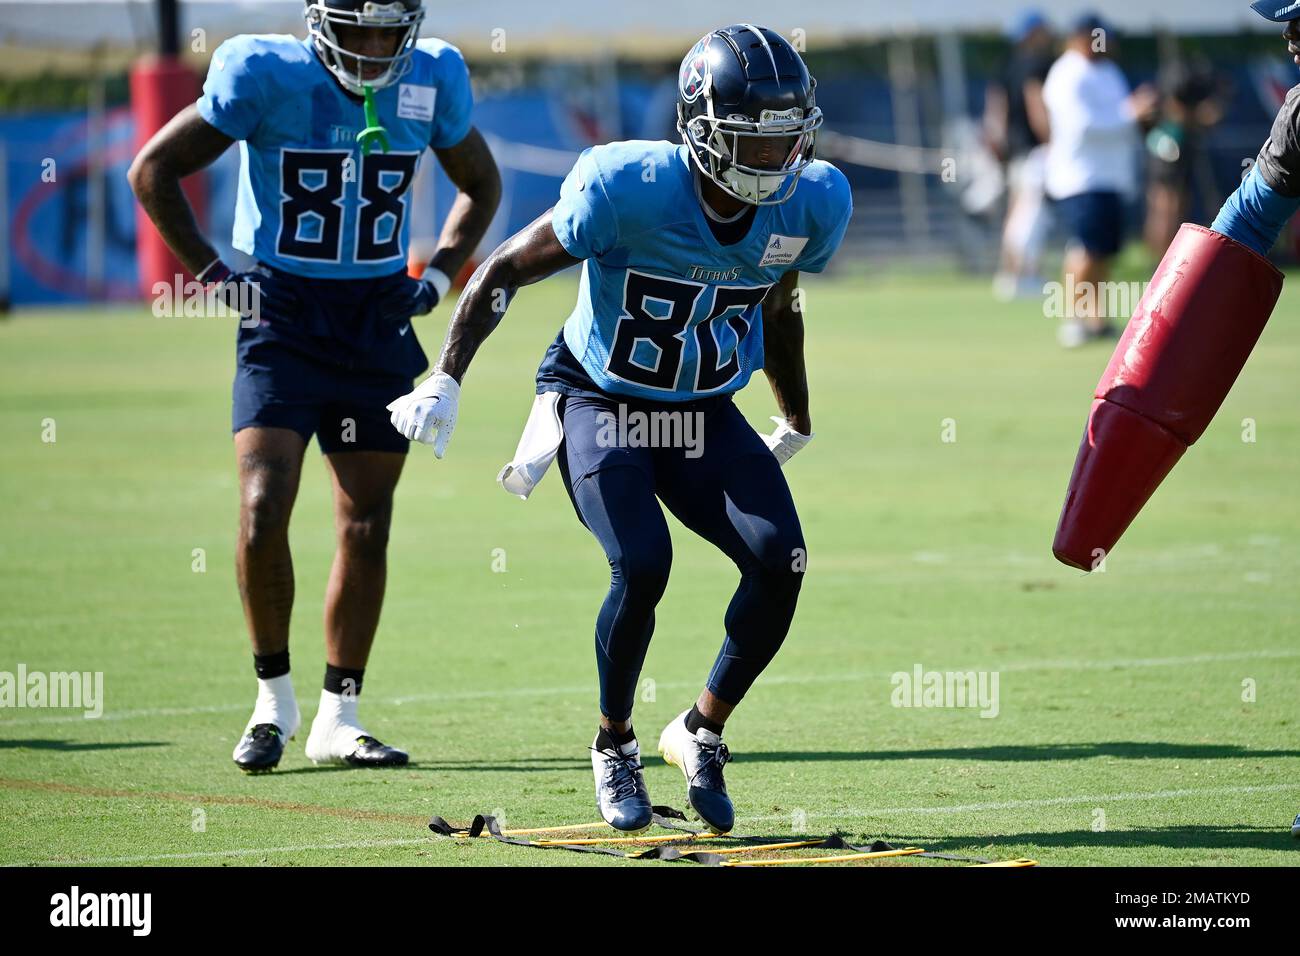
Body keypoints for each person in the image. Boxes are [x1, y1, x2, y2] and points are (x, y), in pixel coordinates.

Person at [388, 25, 851, 834]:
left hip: (703, 409)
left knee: (783, 561)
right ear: (703, 130)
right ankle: (614, 743)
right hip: (602, 398)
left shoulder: (813, 201)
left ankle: (700, 728)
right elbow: (502, 269)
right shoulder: (626, 186)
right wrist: (448, 374)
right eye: (754, 139)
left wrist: (796, 412)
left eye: (787, 142)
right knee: (642, 563)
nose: (775, 162)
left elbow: (778, 301)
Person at [127, 0, 501, 773]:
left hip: (374, 317)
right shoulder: (263, 73)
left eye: (387, 31)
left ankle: (340, 716)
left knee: (366, 520)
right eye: (356, 28)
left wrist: (433, 278)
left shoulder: (431, 78)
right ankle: (272, 702)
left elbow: (481, 184)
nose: (372, 47)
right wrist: (212, 276)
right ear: (322, 22)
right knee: (264, 506)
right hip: (283, 313)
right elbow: (152, 171)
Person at [1041, 13, 1157, 346]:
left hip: (1111, 176)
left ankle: (1096, 320)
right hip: (1080, 177)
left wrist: (1136, 113)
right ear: (1078, 37)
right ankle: (1072, 318)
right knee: (1086, 248)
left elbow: (1121, 116)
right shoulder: (1066, 74)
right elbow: (1082, 125)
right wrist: (1130, 113)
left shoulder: (1108, 71)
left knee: (1103, 251)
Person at [987, 10, 1056, 300]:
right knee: (1030, 214)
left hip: (1014, 150)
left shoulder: (1007, 65)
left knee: (1017, 211)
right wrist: (1050, 140)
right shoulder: (1036, 64)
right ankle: (1022, 275)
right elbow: (1035, 101)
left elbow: (995, 108)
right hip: (1035, 149)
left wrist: (996, 141)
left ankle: (1010, 273)